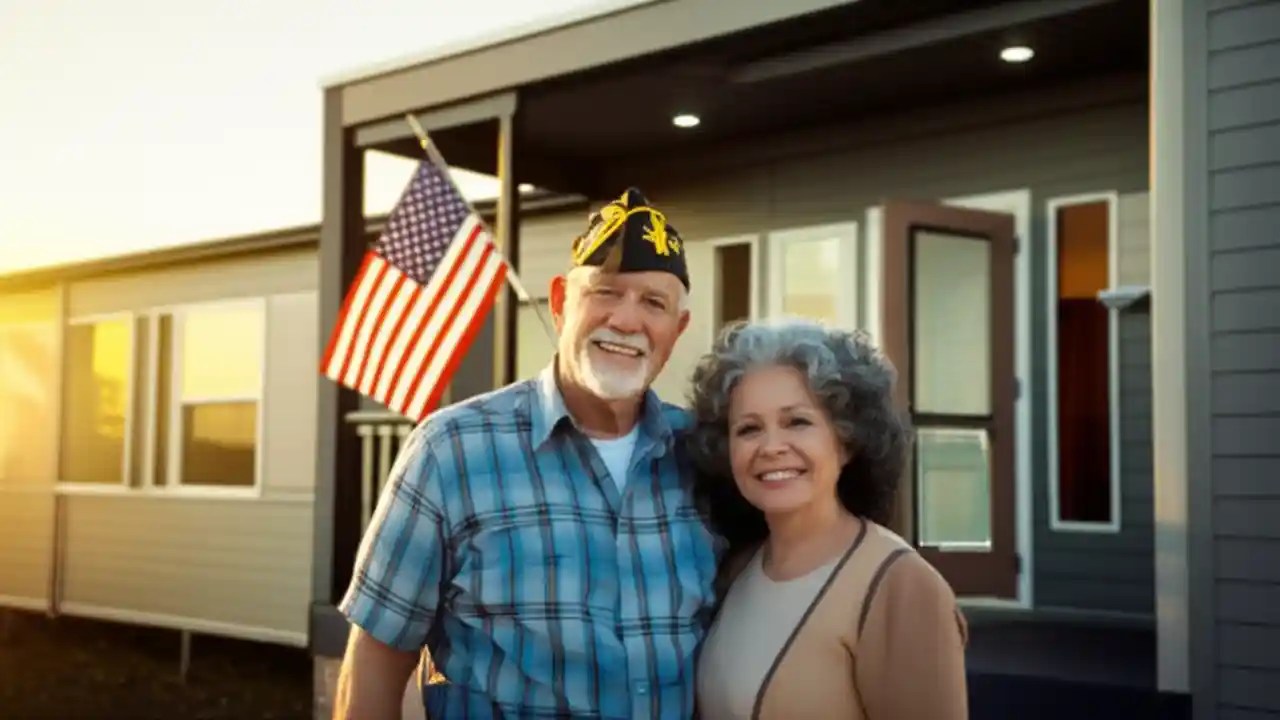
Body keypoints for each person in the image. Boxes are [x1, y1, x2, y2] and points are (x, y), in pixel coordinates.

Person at [332, 187, 720, 720]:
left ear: (677, 330)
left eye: (653, 302)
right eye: (605, 292)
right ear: (560, 302)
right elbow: (375, 663)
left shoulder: (706, 457)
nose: (627, 321)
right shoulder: (452, 451)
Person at [685, 318, 969, 720]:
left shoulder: (901, 586)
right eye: (749, 429)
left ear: (848, 440)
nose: (771, 447)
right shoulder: (736, 570)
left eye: (797, 422)